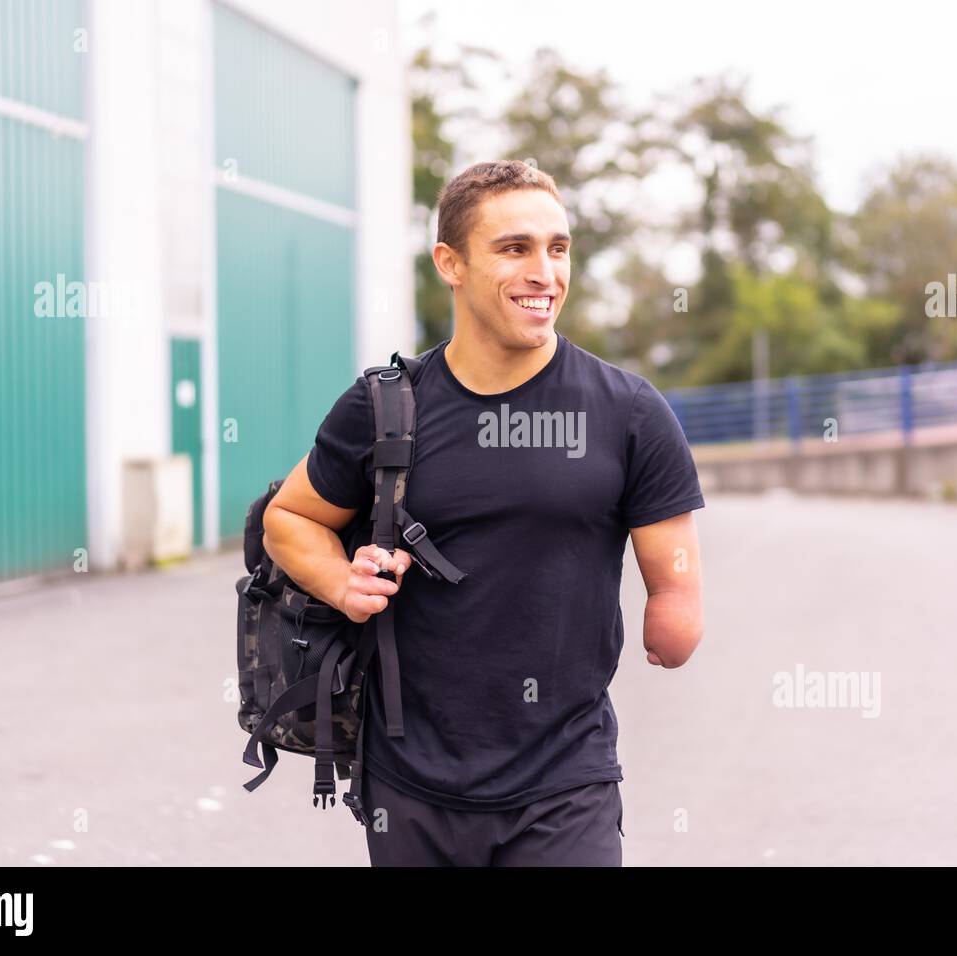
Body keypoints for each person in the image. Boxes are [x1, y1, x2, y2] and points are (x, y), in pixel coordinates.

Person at [262, 159, 705, 866]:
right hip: (410, 784)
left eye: (558, 249)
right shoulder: (386, 406)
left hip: (565, 785)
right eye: (514, 248)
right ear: (451, 263)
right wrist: (341, 581)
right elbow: (289, 518)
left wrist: (677, 606)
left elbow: (674, 568)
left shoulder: (628, 412)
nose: (545, 271)